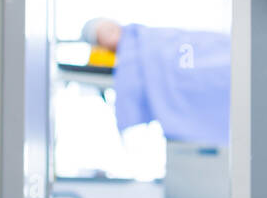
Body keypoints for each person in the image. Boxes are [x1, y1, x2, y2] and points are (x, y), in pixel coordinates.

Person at [82, 16, 230, 146]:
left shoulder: (143, 35)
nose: (111, 33)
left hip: (191, 48)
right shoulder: (125, 65)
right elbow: (130, 86)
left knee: (215, 56)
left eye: (109, 28)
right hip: (186, 76)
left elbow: (172, 42)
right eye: (103, 34)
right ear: (100, 46)